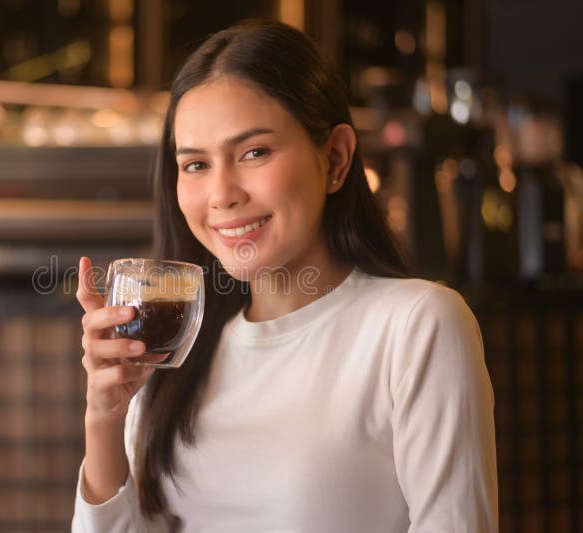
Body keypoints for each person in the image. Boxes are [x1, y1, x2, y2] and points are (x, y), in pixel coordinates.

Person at [72, 19, 497, 533]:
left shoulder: (415, 325)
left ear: (335, 159)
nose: (222, 194)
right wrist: (105, 416)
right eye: (196, 165)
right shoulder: (175, 352)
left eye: (254, 153)